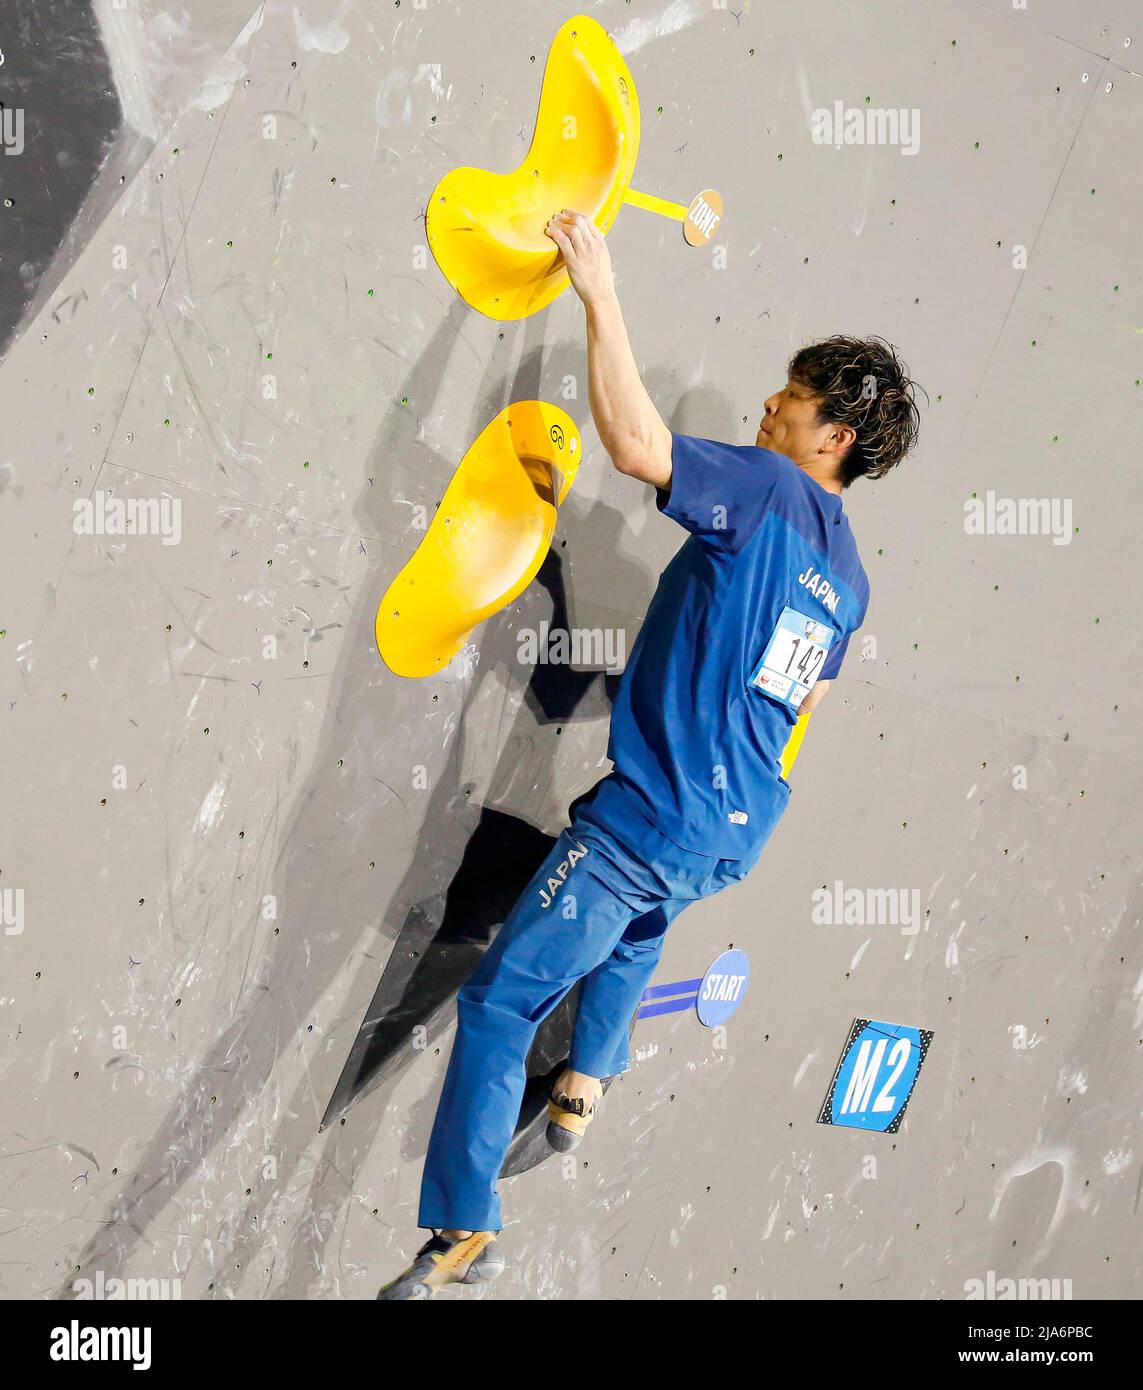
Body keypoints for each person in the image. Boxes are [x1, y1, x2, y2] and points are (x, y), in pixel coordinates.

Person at [378, 209, 921, 1299]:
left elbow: (635, 447)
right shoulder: (848, 576)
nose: (770, 404)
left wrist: (600, 289)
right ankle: (585, 1082)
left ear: (835, 440)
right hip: (733, 829)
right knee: (639, 920)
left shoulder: (768, 491)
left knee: (499, 1004)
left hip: (656, 816)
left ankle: (464, 1231)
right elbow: (805, 687)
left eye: (793, 397)